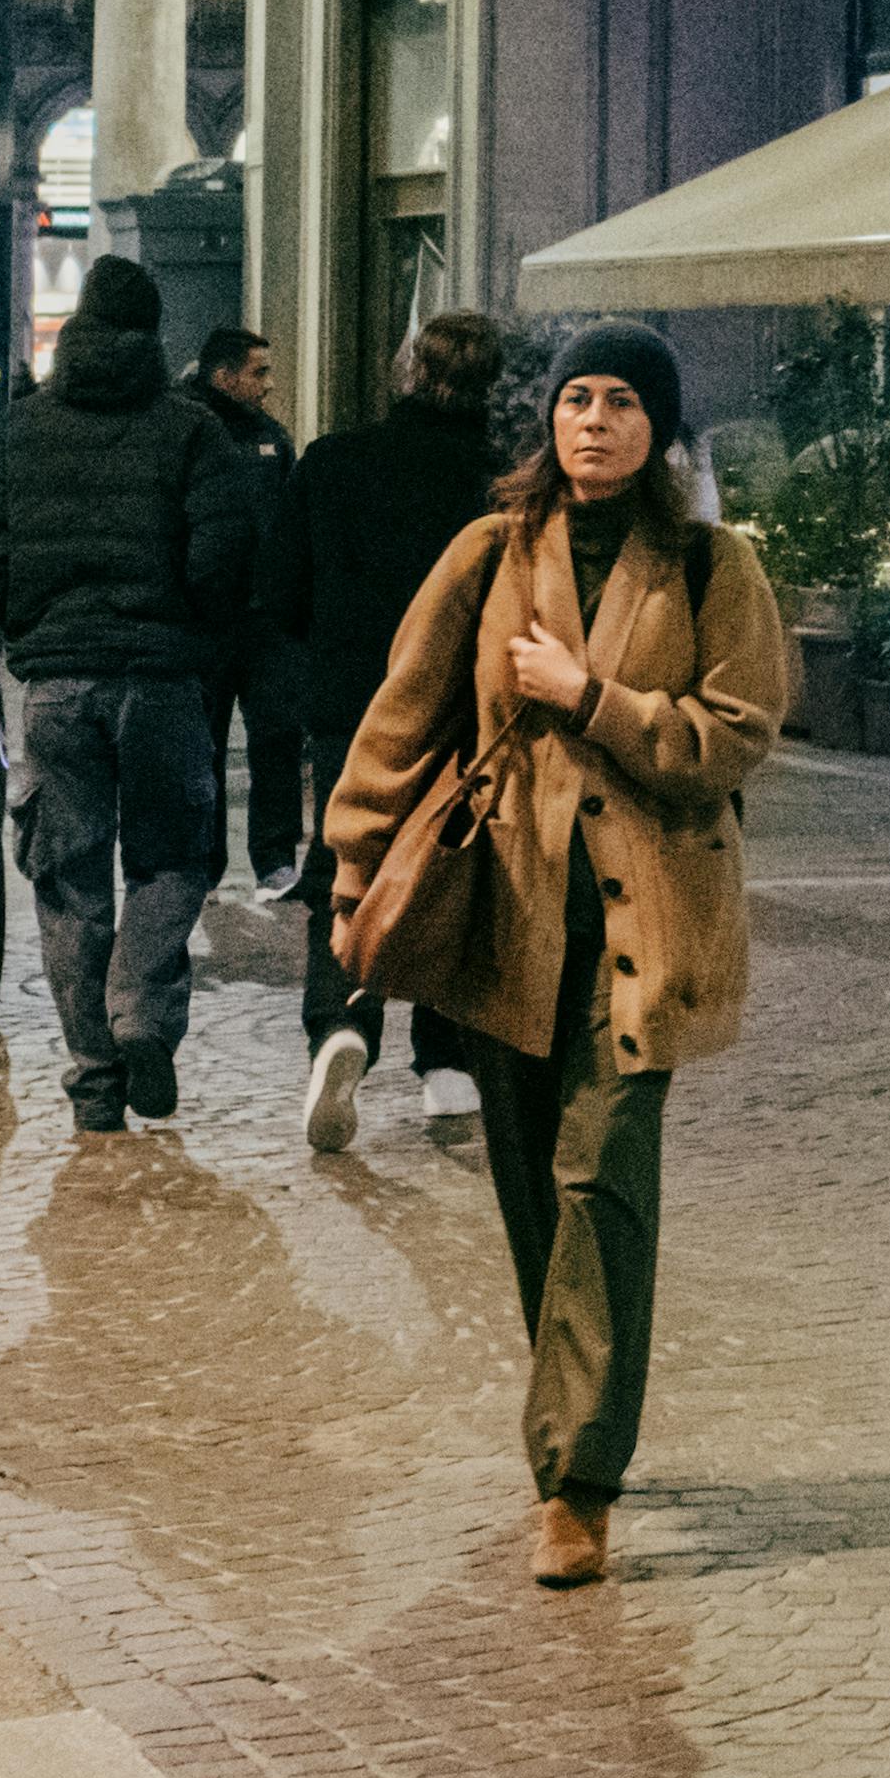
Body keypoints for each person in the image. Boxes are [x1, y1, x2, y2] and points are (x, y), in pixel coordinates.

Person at [309, 318, 787, 1585]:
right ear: (546, 421)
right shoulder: (490, 549)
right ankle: (575, 1398)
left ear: (659, 428)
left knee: (603, 1179)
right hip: (503, 922)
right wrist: (353, 863)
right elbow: (403, 711)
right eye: (575, 398)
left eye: (622, 401)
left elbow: (734, 737)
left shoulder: (709, 564)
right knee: (533, 1193)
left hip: (648, 927)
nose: (593, 421)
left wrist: (592, 698)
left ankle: (576, 1481)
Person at [0, 251, 271, 1129]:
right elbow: (222, 559)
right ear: (153, 331)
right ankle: (140, 1011)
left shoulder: (18, 431)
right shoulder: (192, 432)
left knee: (68, 881)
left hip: (56, 685)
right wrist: (193, 632)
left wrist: (27, 632)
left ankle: (95, 1075)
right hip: (163, 681)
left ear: (77, 330)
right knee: (174, 858)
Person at [285, 306, 508, 1150]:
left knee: (349, 859)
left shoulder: (333, 463)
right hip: (469, 711)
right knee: (457, 866)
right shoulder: (503, 485)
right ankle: (447, 1067)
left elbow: (282, 591)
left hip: (354, 700)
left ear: (406, 370)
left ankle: (341, 1022)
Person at [187, 322, 307, 897]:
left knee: (277, 737)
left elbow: (288, 521)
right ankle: (205, 863)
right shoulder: (185, 430)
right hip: (206, 619)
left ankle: (275, 861)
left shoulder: (272, 440)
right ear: (224, 375)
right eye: (258, 372)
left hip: (265, 620)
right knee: (202, 743)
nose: (269, 384)